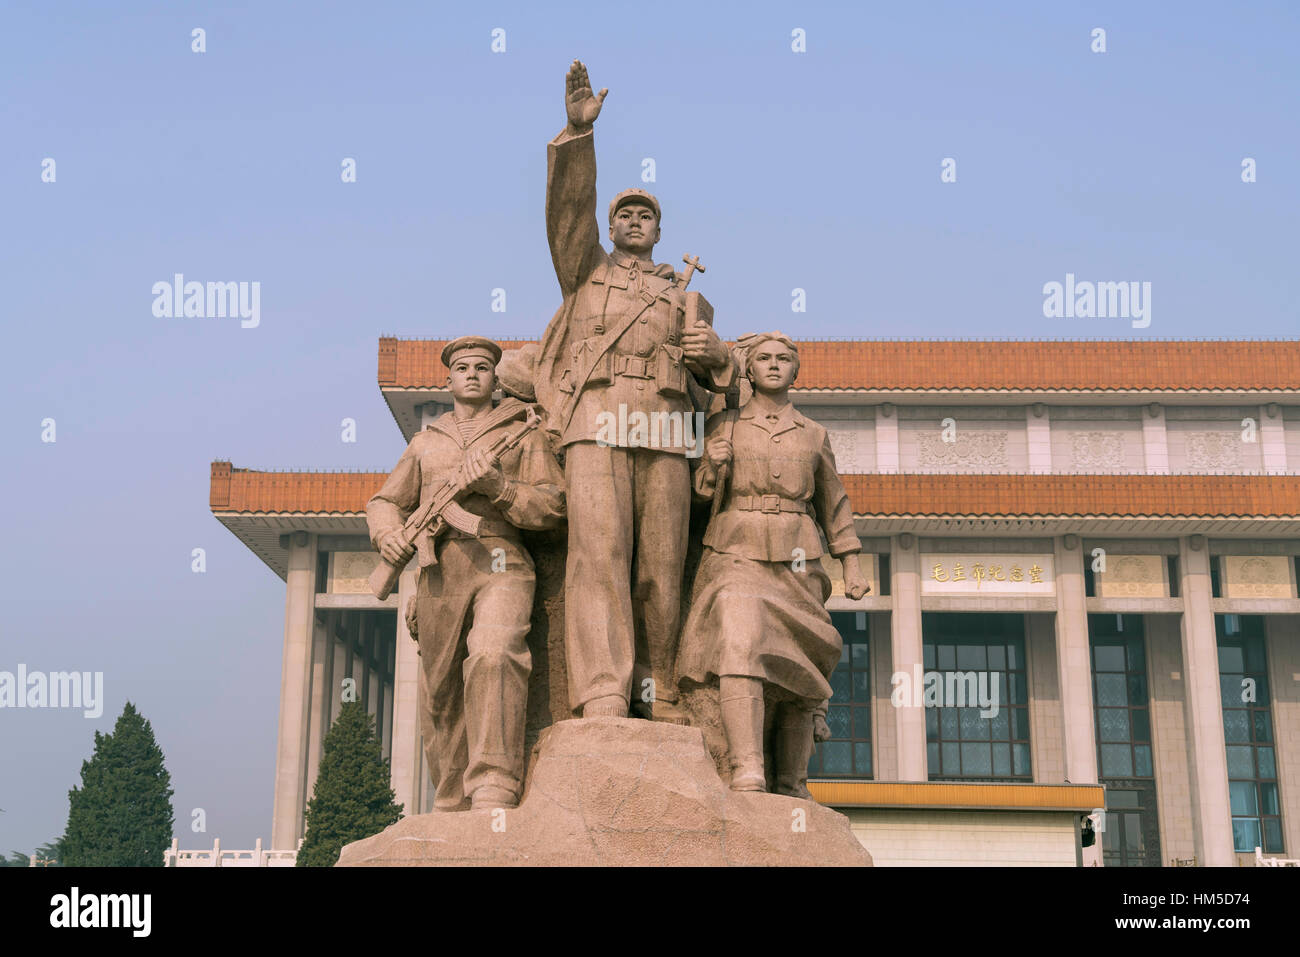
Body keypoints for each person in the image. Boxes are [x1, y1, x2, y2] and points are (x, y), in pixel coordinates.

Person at [533, 60, 735, 722]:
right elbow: (568, 213)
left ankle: (660, 690)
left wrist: (716, 353)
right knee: (600, 557)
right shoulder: (585, 272)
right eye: (625, 213)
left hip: (668, 428)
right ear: (612, 227)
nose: (635, 221)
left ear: (659, 230)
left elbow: (726, 371)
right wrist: (576, 132)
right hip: (597, 422)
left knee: (658, 568)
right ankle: (601, 691)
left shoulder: (685, 294)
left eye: (646, 214)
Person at [366, 336, 565, 810]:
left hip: (502, 558)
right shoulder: (425, 443)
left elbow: (553, 505)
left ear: (496, 378)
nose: (473, 374)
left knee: (495, 655)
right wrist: (388, 534)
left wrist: (499, 487)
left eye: (482, 367)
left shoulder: (522, 432)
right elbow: (384, 501)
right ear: (449, 378)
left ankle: (494, 783)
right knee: (441, 693)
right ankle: (451, 797)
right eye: (463, 367)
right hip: (439, 570)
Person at [676, 332, 870, 796]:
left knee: (802, 660)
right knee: (740, 645)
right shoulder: (723, 424)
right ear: (749, 368)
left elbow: (834, 503)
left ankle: (793, 779)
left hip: (798, 557)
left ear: (796, 369)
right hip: (735, 548)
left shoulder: (813, 434)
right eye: (763, 358)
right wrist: (708, 468)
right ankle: (746, 767)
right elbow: (696, 500)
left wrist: (852, 564)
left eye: (784, 358)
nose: (774, 365)